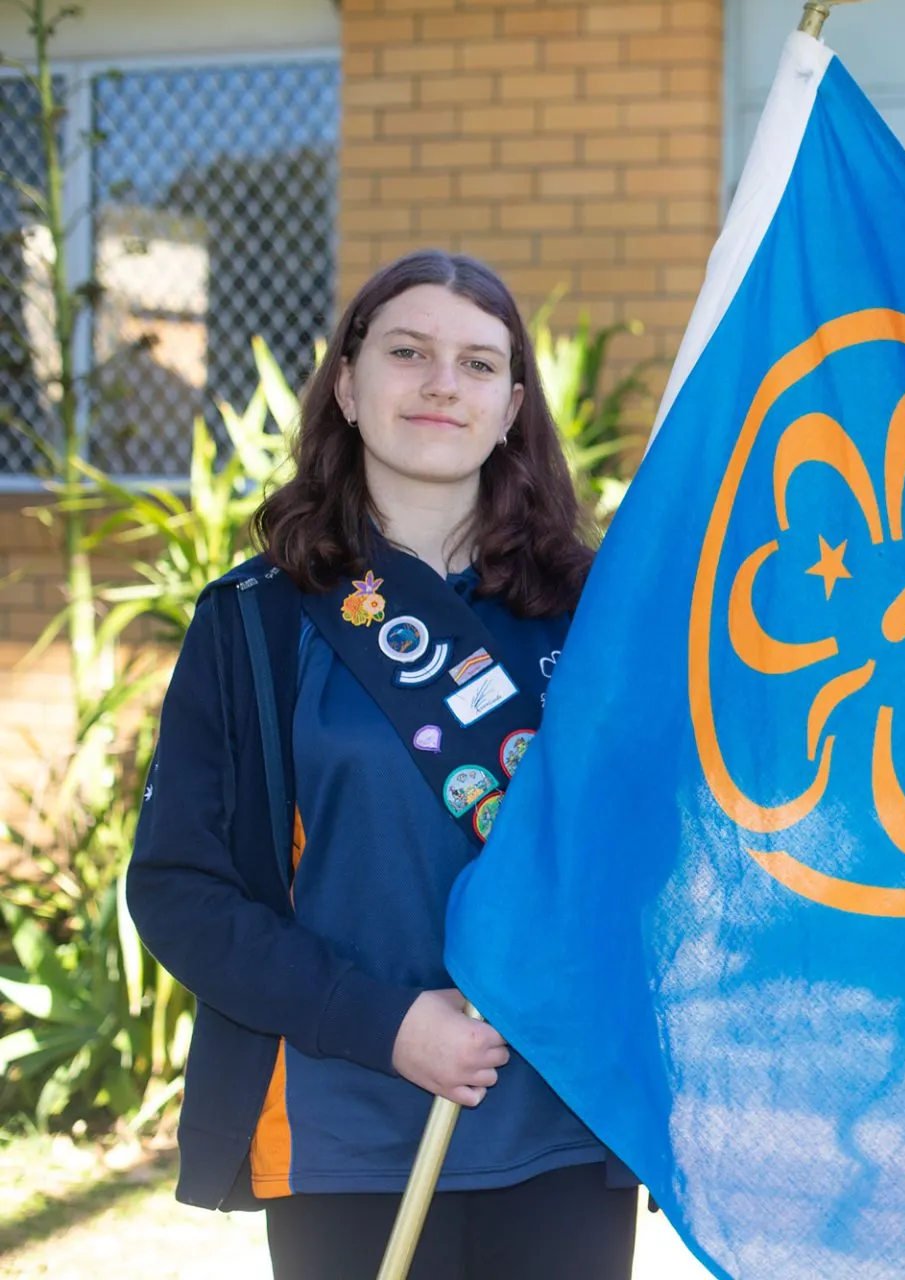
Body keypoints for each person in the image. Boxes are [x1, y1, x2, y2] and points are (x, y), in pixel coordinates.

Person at [127, 250, 635, 1278]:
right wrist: (388, 1022)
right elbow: (179, 887)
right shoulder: (254, 625)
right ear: (349, 386)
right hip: (339, 1123)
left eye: (478, 364)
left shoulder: (602, 615)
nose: (443, 383)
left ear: (512, 408)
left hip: (564, 1120)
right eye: (409, 352)